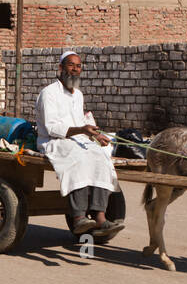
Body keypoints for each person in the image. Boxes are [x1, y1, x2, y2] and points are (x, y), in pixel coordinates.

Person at [35, 50, 122, 238]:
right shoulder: (48, 93)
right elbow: (52, 127)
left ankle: (99, 215)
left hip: (77, 139)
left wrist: (96, 136)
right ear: (60, 68)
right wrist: (83, 130)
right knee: (79, 157)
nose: (75, 69)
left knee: (101, 154)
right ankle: (78, 217)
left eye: (78, 66)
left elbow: (80, 123)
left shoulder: (78, 95)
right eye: (71, 65)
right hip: (53, 141)